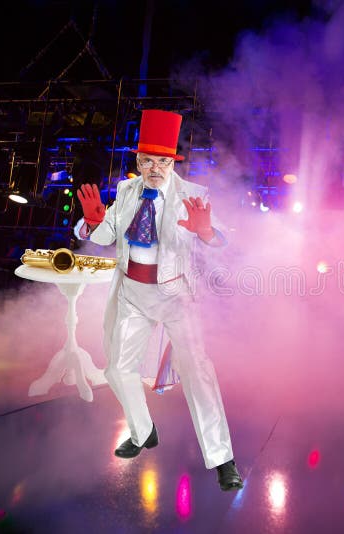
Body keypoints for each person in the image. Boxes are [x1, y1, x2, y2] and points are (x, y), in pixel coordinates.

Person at [73, 109, 243, 491]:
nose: (155, 168)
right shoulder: (127, 190)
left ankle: (223, 460)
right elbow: (105, 235)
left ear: (172, 162)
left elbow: (223, 239)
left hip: (176, 296)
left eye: (162, 161)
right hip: (133, 293)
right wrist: (93, 222)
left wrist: (207, 232)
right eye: (148, 160)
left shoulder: (194, 195)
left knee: (198, 373)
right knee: (117, 369)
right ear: (138, 160)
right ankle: (143, 431)